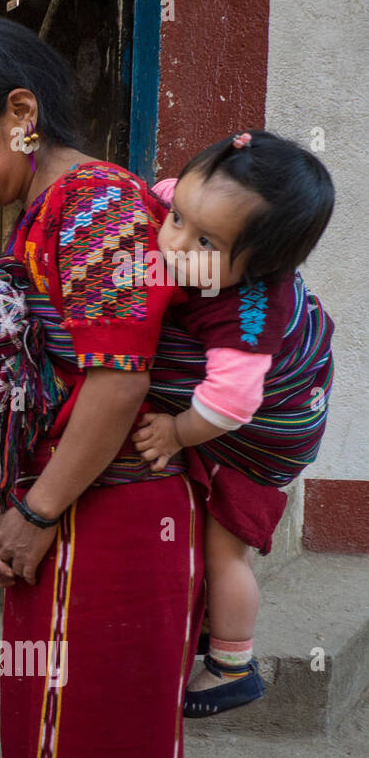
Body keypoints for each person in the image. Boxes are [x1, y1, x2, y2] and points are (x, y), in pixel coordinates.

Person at [0, 14, 204, 758]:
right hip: (65, 513)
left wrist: (37, 513)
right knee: (50, 751)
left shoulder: (95, 205)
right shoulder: (45, 214)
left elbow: (118, 383)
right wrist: (12, 507)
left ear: (19, 111)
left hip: (107, 524)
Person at [131, 130, 335, 716]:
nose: (174, 243)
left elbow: (229, 407)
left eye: (203, 241)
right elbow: (170, 194)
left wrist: (174, 433)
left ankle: (231, 664)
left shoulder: (247, 313)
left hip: (270, 436)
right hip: (243, 407)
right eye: (175, 217)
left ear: (261, 265)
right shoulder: (196, 209)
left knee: (226, 552)